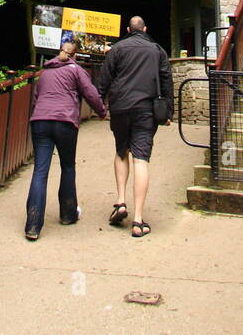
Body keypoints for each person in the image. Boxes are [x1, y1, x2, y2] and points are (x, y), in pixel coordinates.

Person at [96, 15, 173, 237]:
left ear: (128, 30)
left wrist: (99, 103)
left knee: (121, 151)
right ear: (145, 28)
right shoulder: (157, 50)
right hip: (146, 110)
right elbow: (166, 80)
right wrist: (168, 111)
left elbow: (104, 78)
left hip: (120, 108)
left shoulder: (117, 49)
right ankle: (138, 220)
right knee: (141, 159)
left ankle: (120, 202)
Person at [24, 38, 106, 240]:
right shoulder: (75, 70)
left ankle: (33, 225)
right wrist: (102, 111)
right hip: (65, 122)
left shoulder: (46, 72)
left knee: (40, 171)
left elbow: (37, 98)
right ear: (75, 54)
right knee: (67, 166)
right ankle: (68, 214)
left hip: (40, 121)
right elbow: (91, 93)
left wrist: (38, 116)